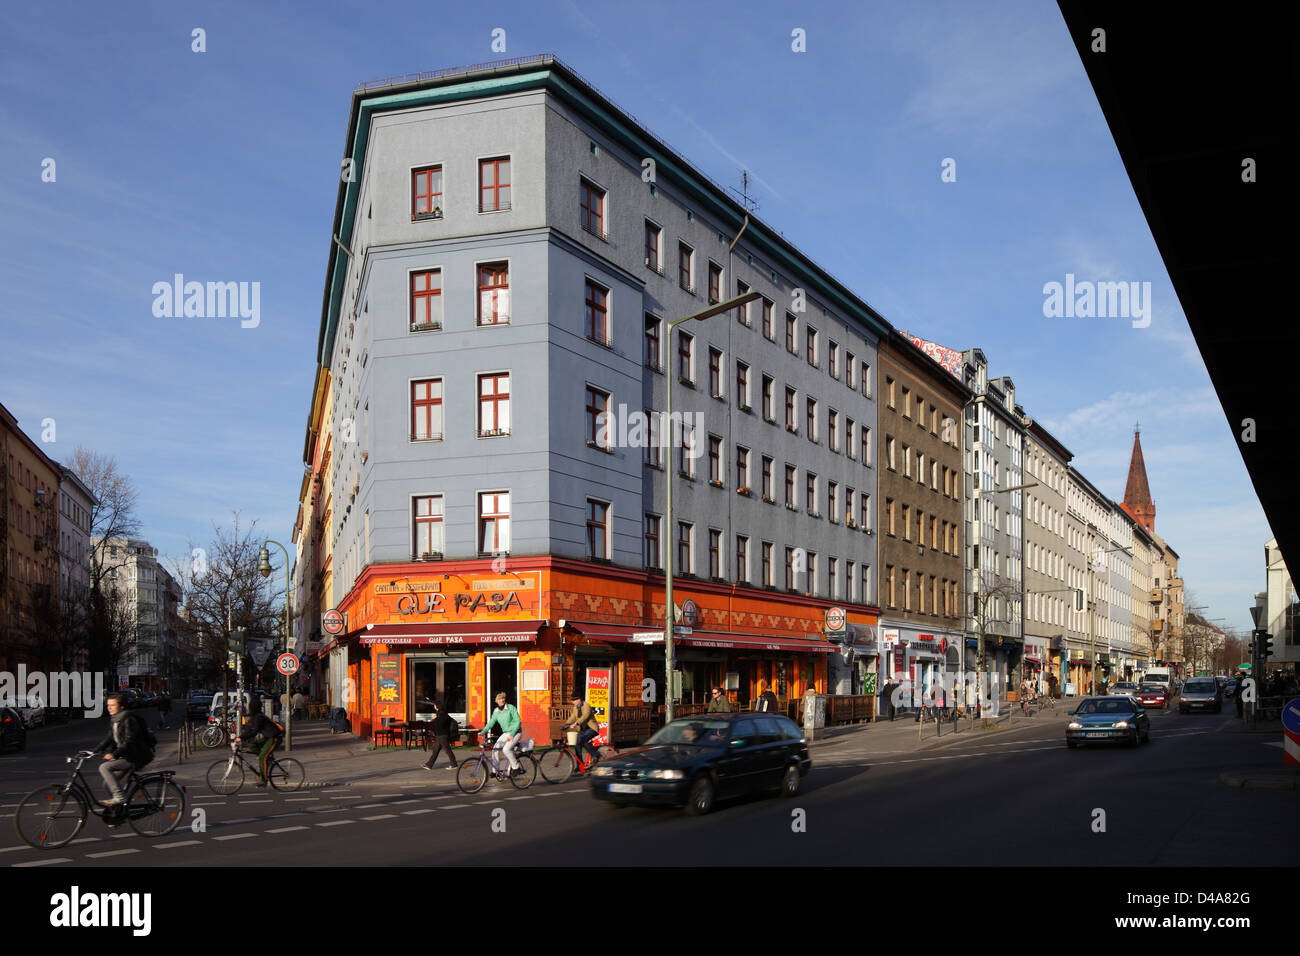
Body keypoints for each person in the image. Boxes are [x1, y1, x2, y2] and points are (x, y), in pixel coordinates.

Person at [94, 693, 155, 806]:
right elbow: (109, 738)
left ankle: (120, 798)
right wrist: (94, 751)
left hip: (135, 755)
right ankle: (122, 809)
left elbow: (129, 740)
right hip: (126, 755)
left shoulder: (129, 719)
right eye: (108, 705)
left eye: (112, 705)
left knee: (104, 767)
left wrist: (114, 754)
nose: (109, 708)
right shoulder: (115, 719)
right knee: (108, 784)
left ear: (122, 706)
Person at [238, 708, 284, 786]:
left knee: (263, 757)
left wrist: (241, 737)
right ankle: (264, 759)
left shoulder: (259, 717)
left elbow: (254, 731)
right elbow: (250, 729)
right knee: (251, 744)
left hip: (274, 738)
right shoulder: (255, 717)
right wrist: (241, 737)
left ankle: (264, 779)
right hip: (268, 737)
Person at [482, 692, 523, 776]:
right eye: (500, 698)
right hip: (506, 733)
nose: (502, 700)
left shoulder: (511, 708)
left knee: (506, 749)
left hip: (515, 732)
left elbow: (518, 721)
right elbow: (491, 723)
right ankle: (495, 771)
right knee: (495, 749)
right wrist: (483, 731)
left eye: (503, 698)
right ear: (497, 701)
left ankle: (516, 768)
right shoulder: (496, 711)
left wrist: (512, 734)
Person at [560, 694, 601, 768]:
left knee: (582, 740)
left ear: (579, 699)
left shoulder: (586, 705)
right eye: (572, 701)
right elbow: (572, 717)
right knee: (577, 743)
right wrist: (566, 724)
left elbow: (585, 715)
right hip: (582, 730)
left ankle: (595, 755)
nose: (573, 702)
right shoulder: (576, 708)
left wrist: (576, 723)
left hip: (592, 728)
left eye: (574, 700)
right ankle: (580, 765)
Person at [421, 701, 458, 771]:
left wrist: (435, 719)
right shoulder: (440, 713)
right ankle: (429, 765)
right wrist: (435, 719)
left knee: (447, 750)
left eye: (434, 704)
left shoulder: (442, 713)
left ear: (437, 706)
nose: (434, 706)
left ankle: (454, 764)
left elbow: (440, 724)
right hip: (439, 735)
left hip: (443, 735)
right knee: (435, 750)